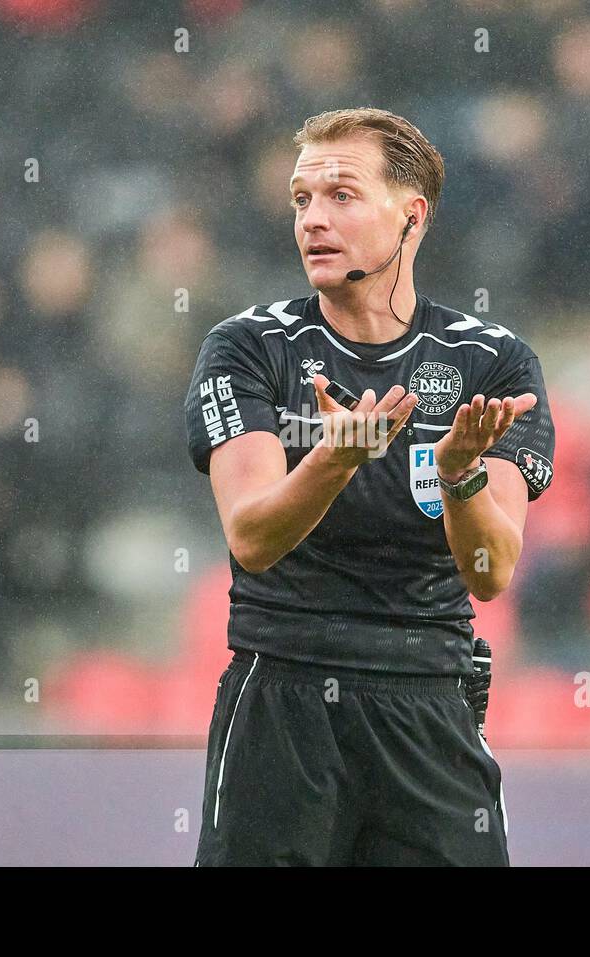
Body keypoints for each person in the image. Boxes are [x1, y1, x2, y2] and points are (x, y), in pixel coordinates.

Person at [184, 108, 555, 866]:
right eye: (301, 200)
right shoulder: (249, 348)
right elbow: (252, 537)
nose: (313, 219)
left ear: (410, 216)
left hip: (428, 703)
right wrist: (336, 457)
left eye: (341, 195)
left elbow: (491, 573)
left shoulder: (493, 364)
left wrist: (460, 474)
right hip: (282, 697)